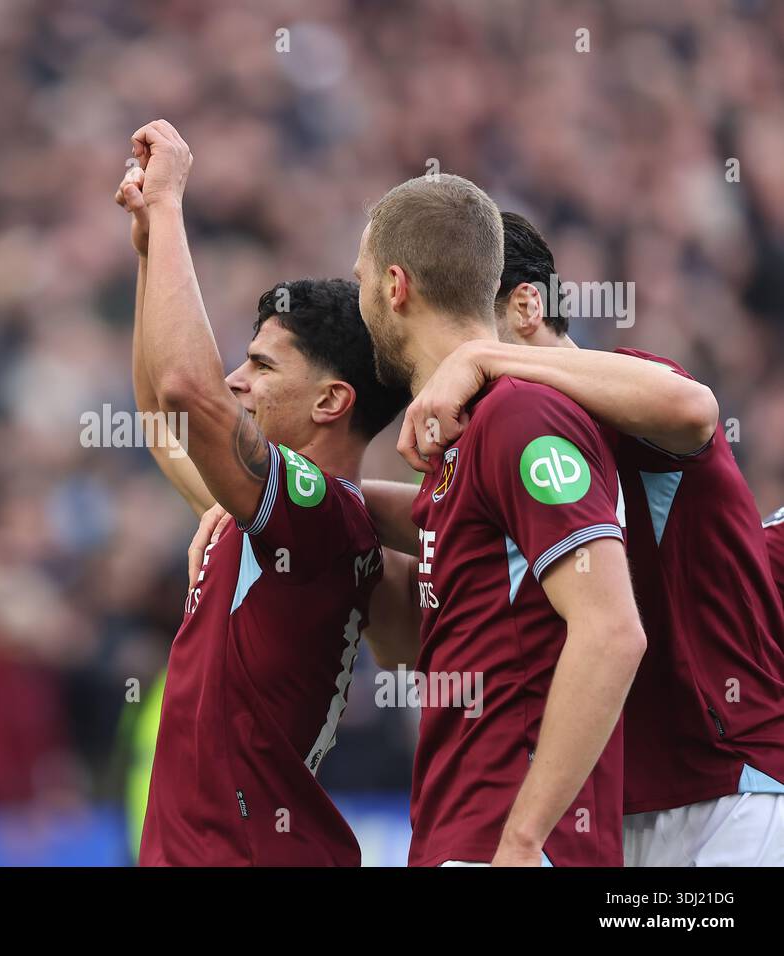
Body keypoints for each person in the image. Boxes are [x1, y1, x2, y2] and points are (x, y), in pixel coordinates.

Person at [391, 211, 784, 866]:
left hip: (732, 798)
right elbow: (448, 521)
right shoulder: (513, 440)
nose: (447, 364)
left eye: (465, 329)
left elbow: (694, 408)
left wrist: (480, 356)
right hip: (622, 813)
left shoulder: (627, 392)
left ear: (525, 306)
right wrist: (297, 498)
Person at [119, 120, 409, 865]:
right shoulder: (248, 517)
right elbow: (161, 419)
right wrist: (151, 242)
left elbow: (188, 392)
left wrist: (175, 201)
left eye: (263, 366)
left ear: (330, 402)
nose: (238, 381)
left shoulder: (320, 516)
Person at [351, 175, 647, 866]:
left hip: (506, 840)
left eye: (360, 278)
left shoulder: (522, 416)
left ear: (396, 287)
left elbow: (611, 630)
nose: (359, 301)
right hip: (461, 828)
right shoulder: (473, 429)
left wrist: (523, 839)